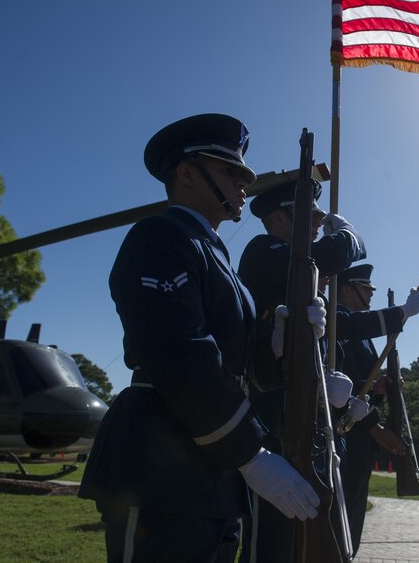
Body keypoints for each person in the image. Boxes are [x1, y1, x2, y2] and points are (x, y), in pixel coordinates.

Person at [78, 113, 320, 563]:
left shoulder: (214, 253)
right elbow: (178, 353)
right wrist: (250, 454)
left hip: (214, 476)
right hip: (158, 472)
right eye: (230, 171)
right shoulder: (160, 237)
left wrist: (278, 345)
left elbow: (237, 365)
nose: (244, 182)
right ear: (187, 173)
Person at [237, 180, 366, 562]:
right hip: (272, 420)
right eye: (308, 215)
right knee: (272, 545)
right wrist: (349, 234)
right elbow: (328, 255)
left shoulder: (300, 270)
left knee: (311, 541)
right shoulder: (264, 251)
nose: (316, 223)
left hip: (307, 422)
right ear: (279, 218)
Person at [334, 263, 419, 556]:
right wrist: (375, 428)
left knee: (352, 521)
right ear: (346, 290)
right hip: (345, 437)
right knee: (341, 522)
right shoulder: (340, 327)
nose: (371, 294)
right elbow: (343, 387)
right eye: (365, 288)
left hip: (359, 440)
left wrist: (378, 389)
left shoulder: (359, 332)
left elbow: (361, 386)